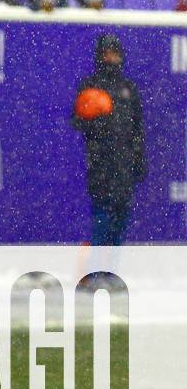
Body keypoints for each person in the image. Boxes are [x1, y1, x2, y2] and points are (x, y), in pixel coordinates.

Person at [72, 35, 145, 247]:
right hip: (101, 167)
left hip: (124, 168)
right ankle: (95, 266)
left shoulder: (128, 88)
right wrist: (97, 122)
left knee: (120, 224)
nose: (111, 58)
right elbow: (77, 121)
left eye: (115, 54)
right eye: (107, 54)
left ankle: (111, 267)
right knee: (102, 221)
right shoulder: (90, 85)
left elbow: (137, 128)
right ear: (100, 56)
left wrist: (139, 160)